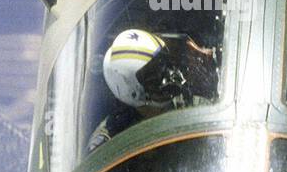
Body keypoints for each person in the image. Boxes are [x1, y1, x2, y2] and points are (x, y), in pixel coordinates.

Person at [87, 28, 218, 151]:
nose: (169, 74)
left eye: (164, 64)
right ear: (133, 91)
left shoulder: (197, 109)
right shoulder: (110, 145)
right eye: (154, 74)